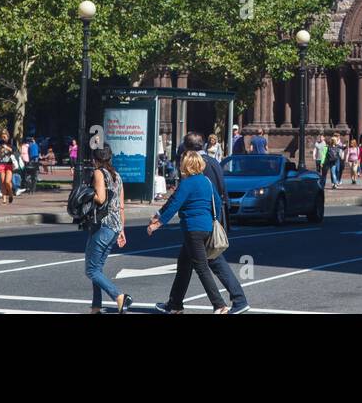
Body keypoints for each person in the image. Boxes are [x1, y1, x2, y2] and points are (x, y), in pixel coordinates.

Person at [153, 132, 249, 314]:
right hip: (212, 219)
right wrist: (218, 219)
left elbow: (178, 197)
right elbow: (221, 191)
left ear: (186, 148)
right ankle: (175, 304)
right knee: (185, 263)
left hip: (199, 222)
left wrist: (159, 217)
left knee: (211, 263)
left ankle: (232, 301)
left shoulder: (192, 165)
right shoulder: (213, 162)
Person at [147, 147, 228, 313]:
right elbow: (218, 203)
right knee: (184, 265)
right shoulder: (206, 181)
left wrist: (157, 223)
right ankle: (175, 305)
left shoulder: (187, 183)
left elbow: (175, 204)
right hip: (206, 228)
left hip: (193, 230)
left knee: (201, 268)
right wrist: (214, 221)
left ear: (187, 165)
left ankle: (219, 305)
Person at [83, 146, 131, 314]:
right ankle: (96, 306)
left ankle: (119, 296)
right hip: (115, 226)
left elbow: (101, 198)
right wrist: (122, 230)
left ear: (95, 159)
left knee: (91, 270)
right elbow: (121, 206)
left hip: (102, 224)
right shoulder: (117, 176)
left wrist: (87, 193)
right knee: (97, 268)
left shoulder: (98, 173)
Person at [0, 130, 16, 203]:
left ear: (8, 136)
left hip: (9, 163)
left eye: (4, 137)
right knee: (2, 181)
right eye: (2, 137)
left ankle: (10, 194)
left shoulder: (11, 142)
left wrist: (7, 147)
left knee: (7, 181)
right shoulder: (0, 143)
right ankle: (4, 199)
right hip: (1, 164)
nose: (3, 138)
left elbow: (14, 150)